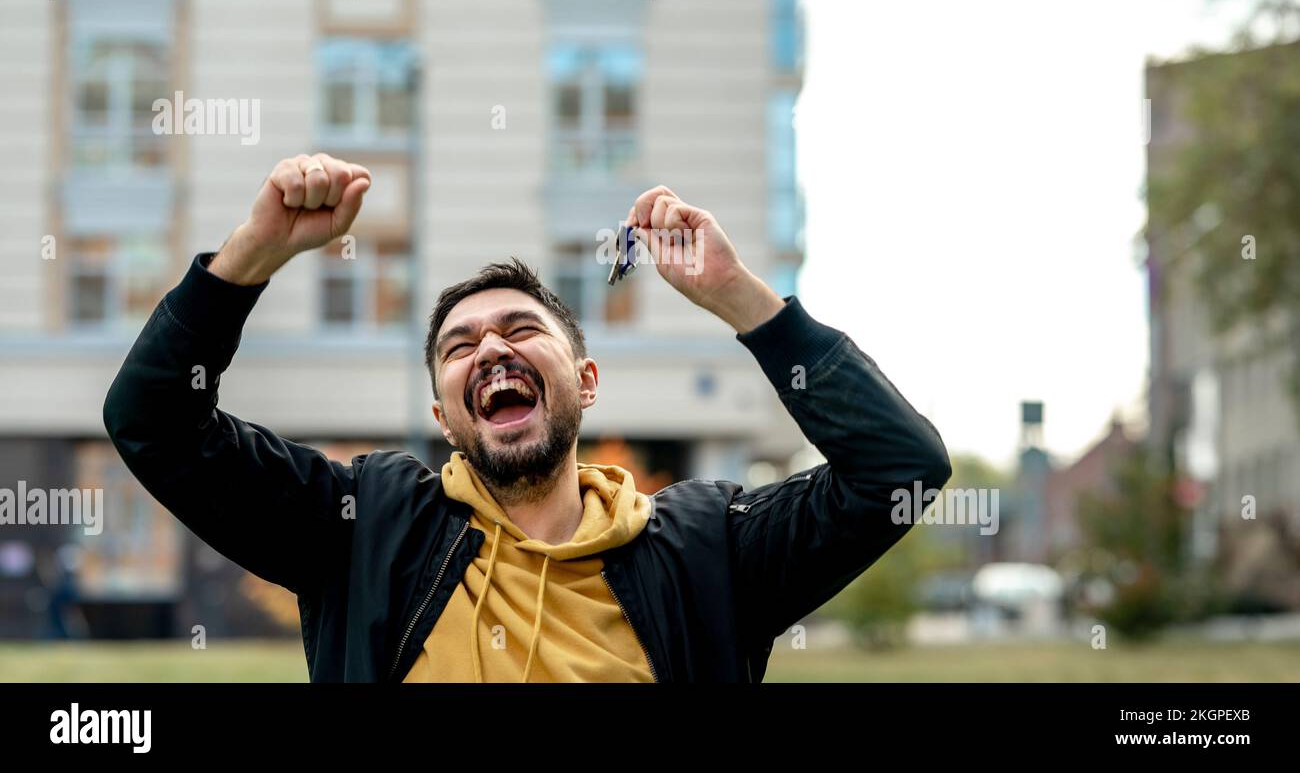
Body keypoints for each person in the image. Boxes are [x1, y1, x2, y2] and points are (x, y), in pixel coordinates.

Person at [103, 152, 951, 682]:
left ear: (585, 381)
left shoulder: (712, 552)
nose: (493, 350)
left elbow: (899, 469)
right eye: (461, 345)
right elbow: (153, 421)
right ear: (443, 412)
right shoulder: (361, 527)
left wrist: (740, 299)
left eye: (521, 329)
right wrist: (250, 257)